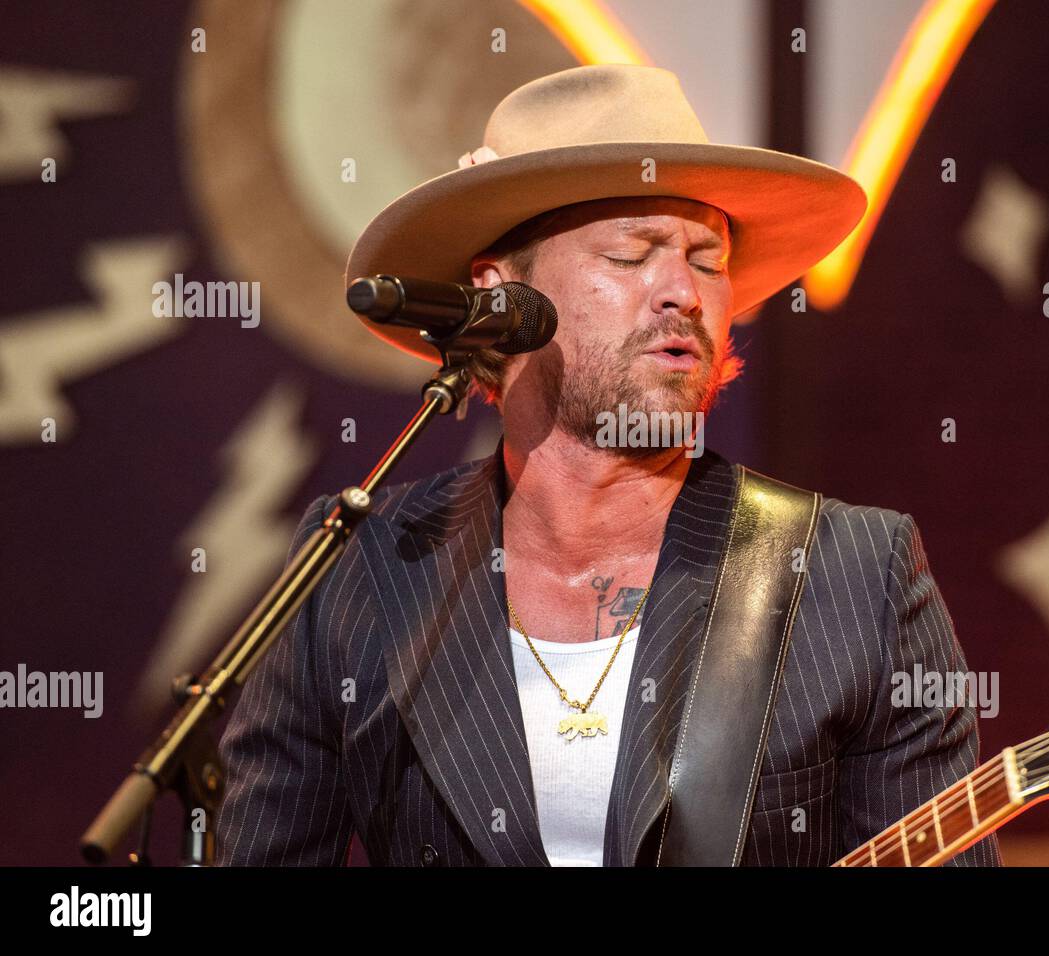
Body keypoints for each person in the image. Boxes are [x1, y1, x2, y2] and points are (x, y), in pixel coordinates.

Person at [215, 64, 1001, 867]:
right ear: (499, 301)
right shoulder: (357, 569)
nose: (684, 295)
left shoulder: (856, 577)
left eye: (706, 258)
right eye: (631, 253)